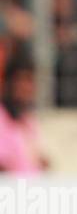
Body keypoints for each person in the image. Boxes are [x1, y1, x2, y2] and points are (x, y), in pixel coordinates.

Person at [0, 45, 47, 173]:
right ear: (9, 83)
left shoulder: (29, 121)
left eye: (30, 81)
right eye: (20, 80)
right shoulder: (2, 117)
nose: (25, 87)